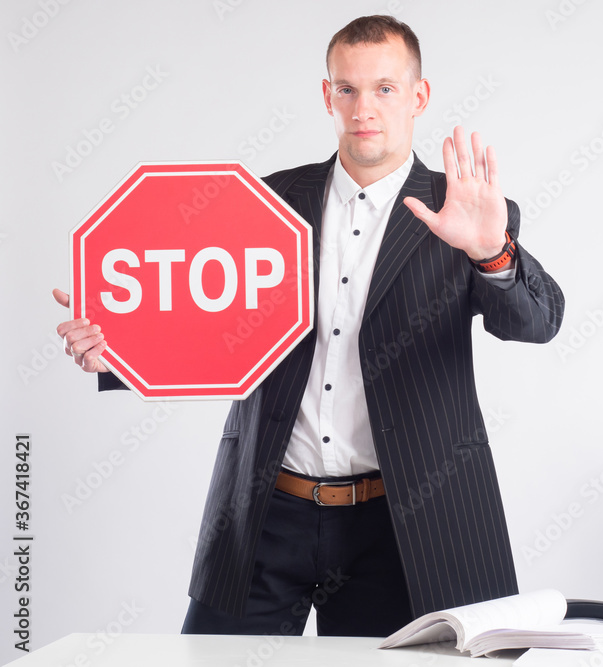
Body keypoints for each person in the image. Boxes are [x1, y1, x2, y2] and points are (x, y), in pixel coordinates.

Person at [52, 15, 564, 637]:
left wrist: (491, 253)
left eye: (384, 88)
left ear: (418, 96)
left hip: (404, 522)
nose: (364, 108)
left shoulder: (464, 210)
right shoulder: (265, 203)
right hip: (266, 511)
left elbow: (538, 321)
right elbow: (196, 319)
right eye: (347, 89)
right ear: (327, 96)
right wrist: (116, 352)